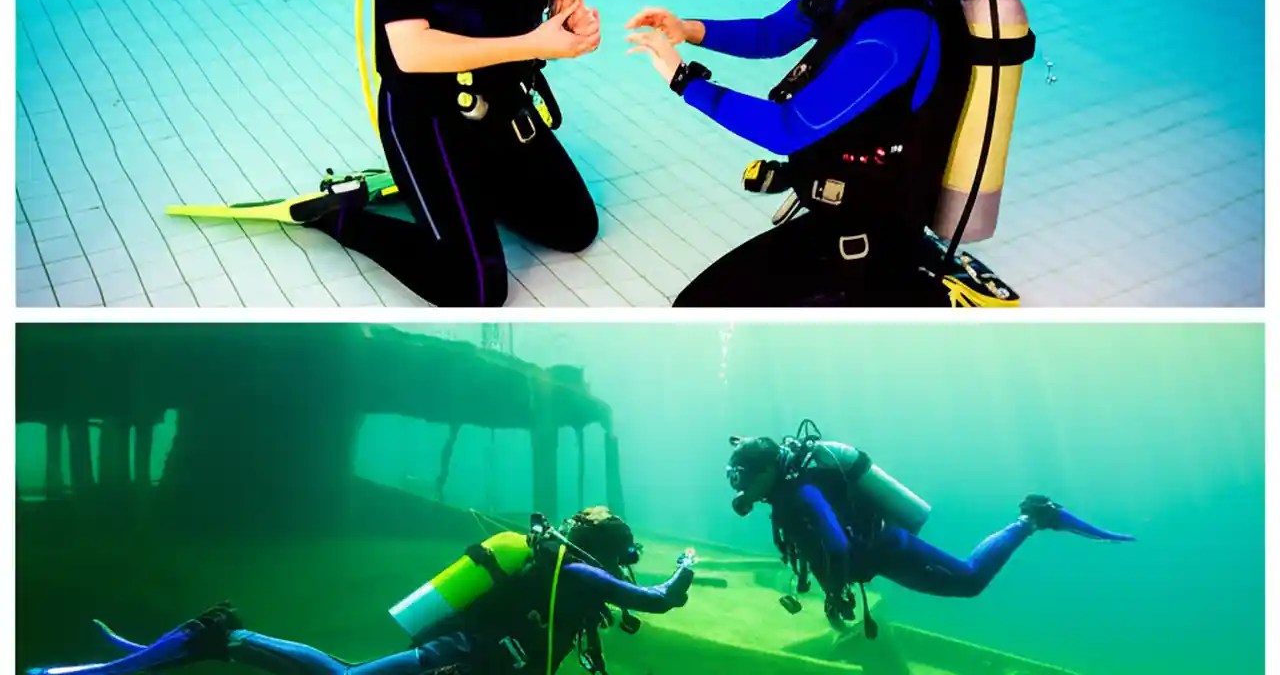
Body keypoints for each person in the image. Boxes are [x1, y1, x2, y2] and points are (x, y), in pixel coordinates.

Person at [625, 0, 1000, 306]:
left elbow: (785, 128)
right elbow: (770, 35)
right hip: (834, 201)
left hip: (867, 231)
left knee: (695, 308)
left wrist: (684, 81)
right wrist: (687, 30)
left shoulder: (898, 28)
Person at [27, 508, 696, 675]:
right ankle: (224, 636)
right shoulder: (577, 575)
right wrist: (687, 567)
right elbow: (663, 599)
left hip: (476, 660)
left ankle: (216, 640)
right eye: (624, 557)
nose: (625, 568)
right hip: (459, 655)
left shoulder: (572, 583)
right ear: (608, 552)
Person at [305, 0, 604, 307]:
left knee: (575, 227)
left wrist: (568, 15)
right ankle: (342, 219)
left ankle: (467, 191)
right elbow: (411, 51)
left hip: (501, 103)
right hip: (427, 116)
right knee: (476, 288)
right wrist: (536, 44)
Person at [724, 426, 1134, 634]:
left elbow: (833, 542)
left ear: (767, 471)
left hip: (888, 548)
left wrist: (835, 592)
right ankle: (1033, 519)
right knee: (967, 582)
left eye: (742, 478)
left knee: (970, 579)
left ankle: (1035, 518)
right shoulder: (783, 494)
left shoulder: (801, 491)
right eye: (735, 479)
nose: (740, 488)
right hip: (877, 556)